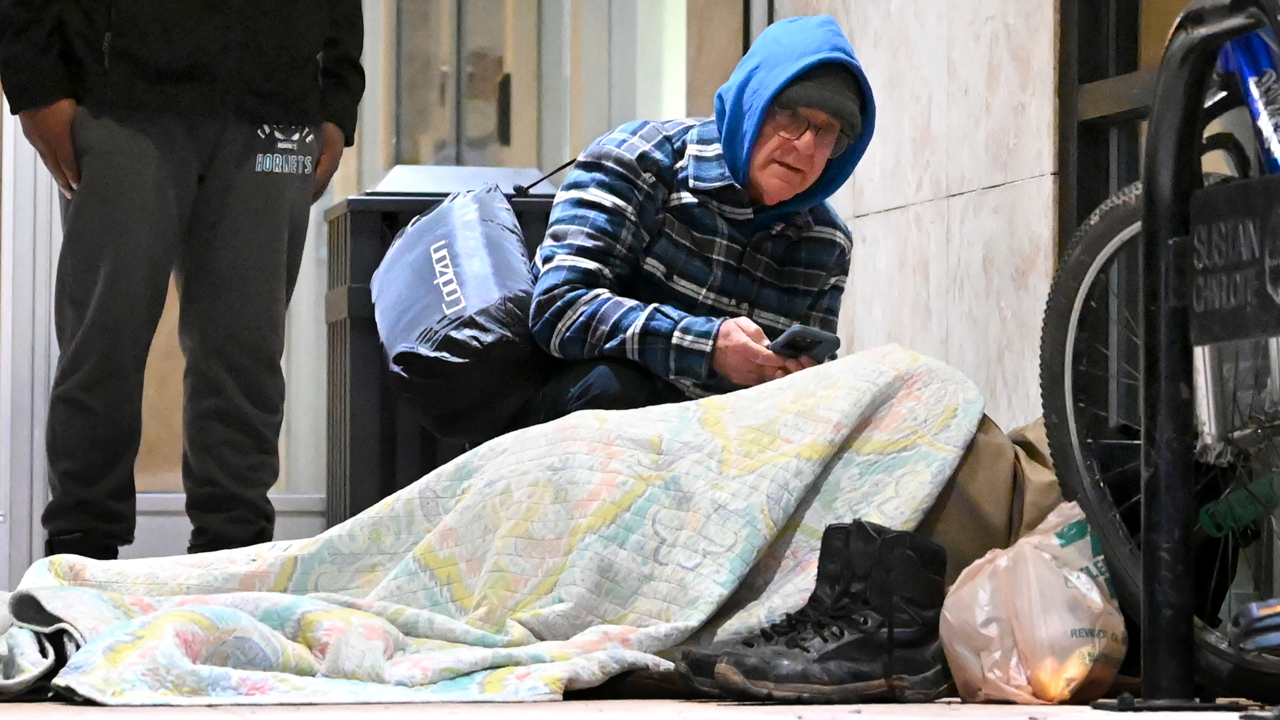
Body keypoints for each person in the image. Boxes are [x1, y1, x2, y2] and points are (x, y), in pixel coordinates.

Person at [0, 1, 366, 558]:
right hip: (118, 96)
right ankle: (81, 558)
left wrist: (338, 100)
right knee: (105, 338)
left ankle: (234, 565)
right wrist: (35, 84)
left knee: (248, 349)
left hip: (281, 109)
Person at [514, 15, 875, 428]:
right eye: (791, 115)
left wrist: (793, 376)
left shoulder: (827, 241)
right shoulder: (642, 160)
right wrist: (709, 346)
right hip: (577, 426)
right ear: (751, 103)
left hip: (722, 451)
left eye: (829, 132)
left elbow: (802, 384)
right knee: (614, 388)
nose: (806, 145)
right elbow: (558, 308)